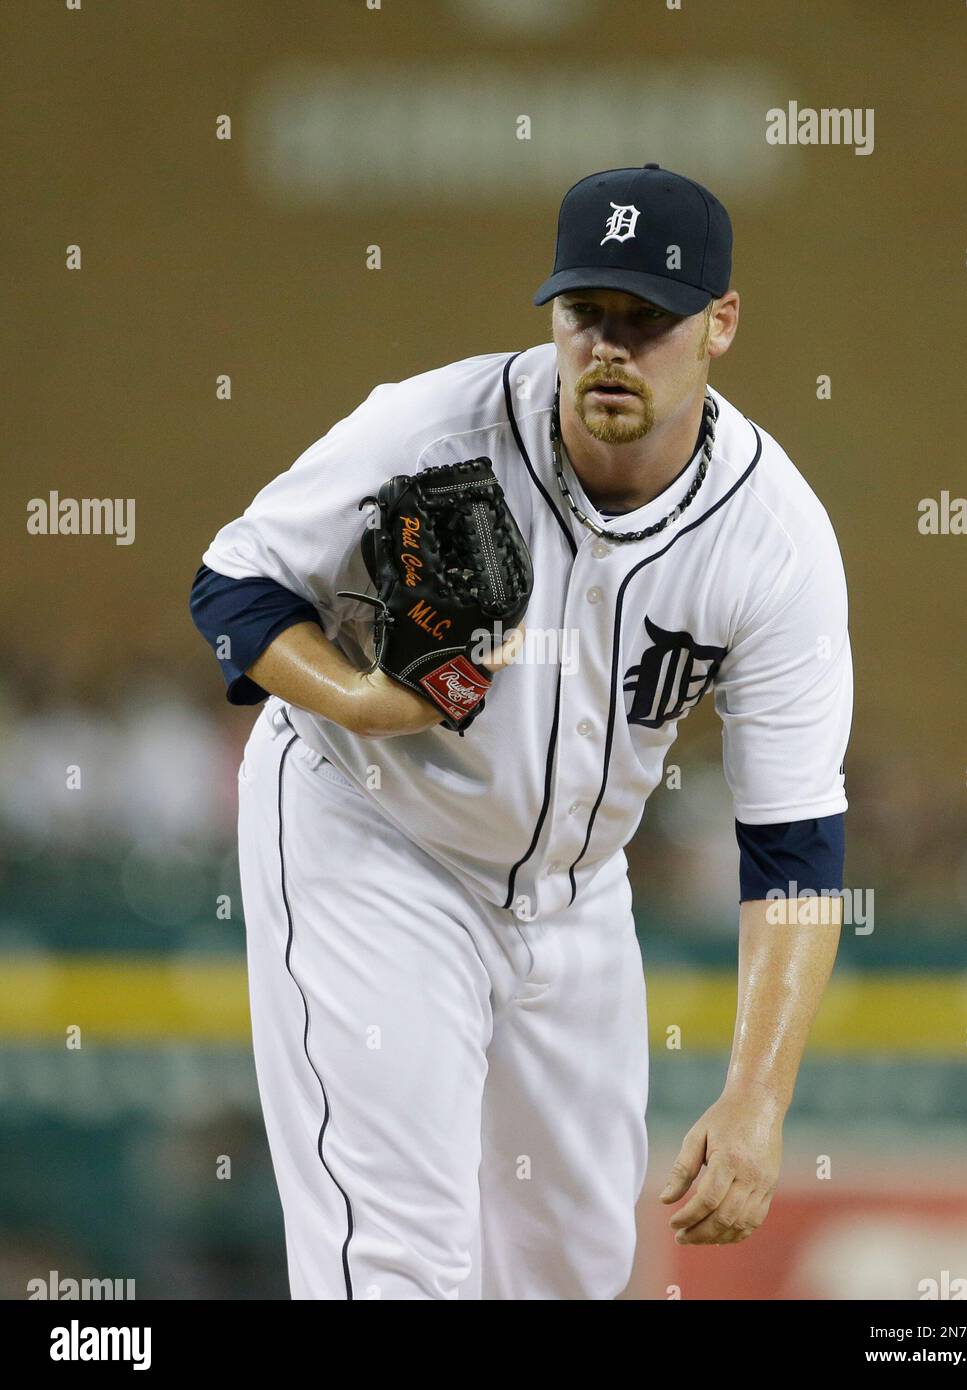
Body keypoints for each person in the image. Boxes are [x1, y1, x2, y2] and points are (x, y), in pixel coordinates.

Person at [189, 163, 853, 1301]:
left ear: (721, 325)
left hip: (573, 886)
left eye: (649, 319)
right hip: (370, 835)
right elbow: (232, 586)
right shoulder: (433, 426)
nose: (610, 345)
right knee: (396, 1262)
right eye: (586, 313)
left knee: (573, 1272)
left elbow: (792, 842)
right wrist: (355, 696)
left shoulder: (773, 537)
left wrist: (757, 1098)